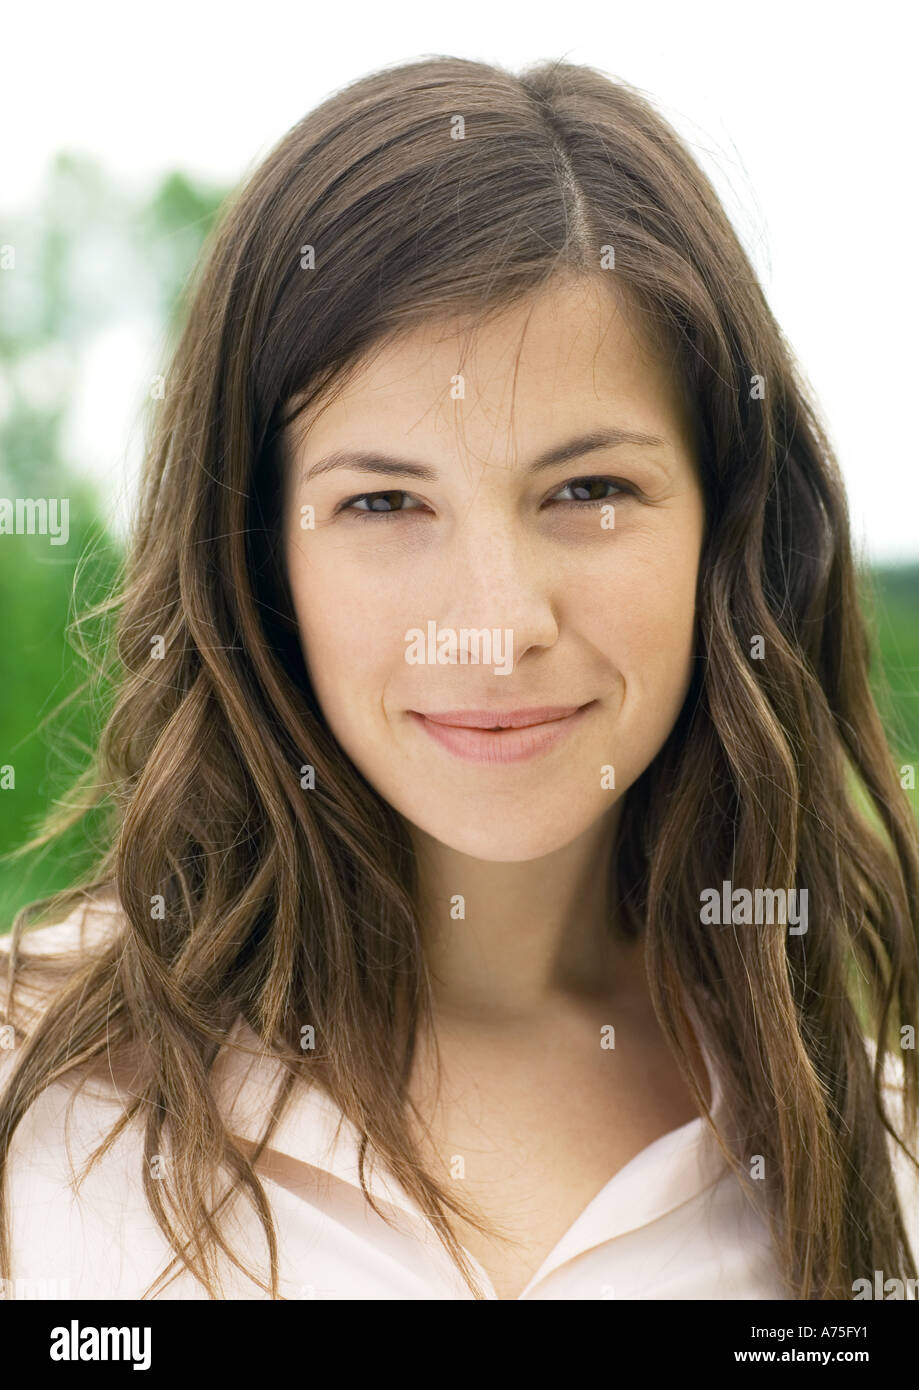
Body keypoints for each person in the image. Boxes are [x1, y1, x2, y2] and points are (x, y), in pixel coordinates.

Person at [2, 55, 918, 1302]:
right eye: (382, 501)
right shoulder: (32, 1082)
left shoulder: (878, 1146)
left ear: (727, 529)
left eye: (589, 490)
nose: (493, 628)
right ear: (259, 553)